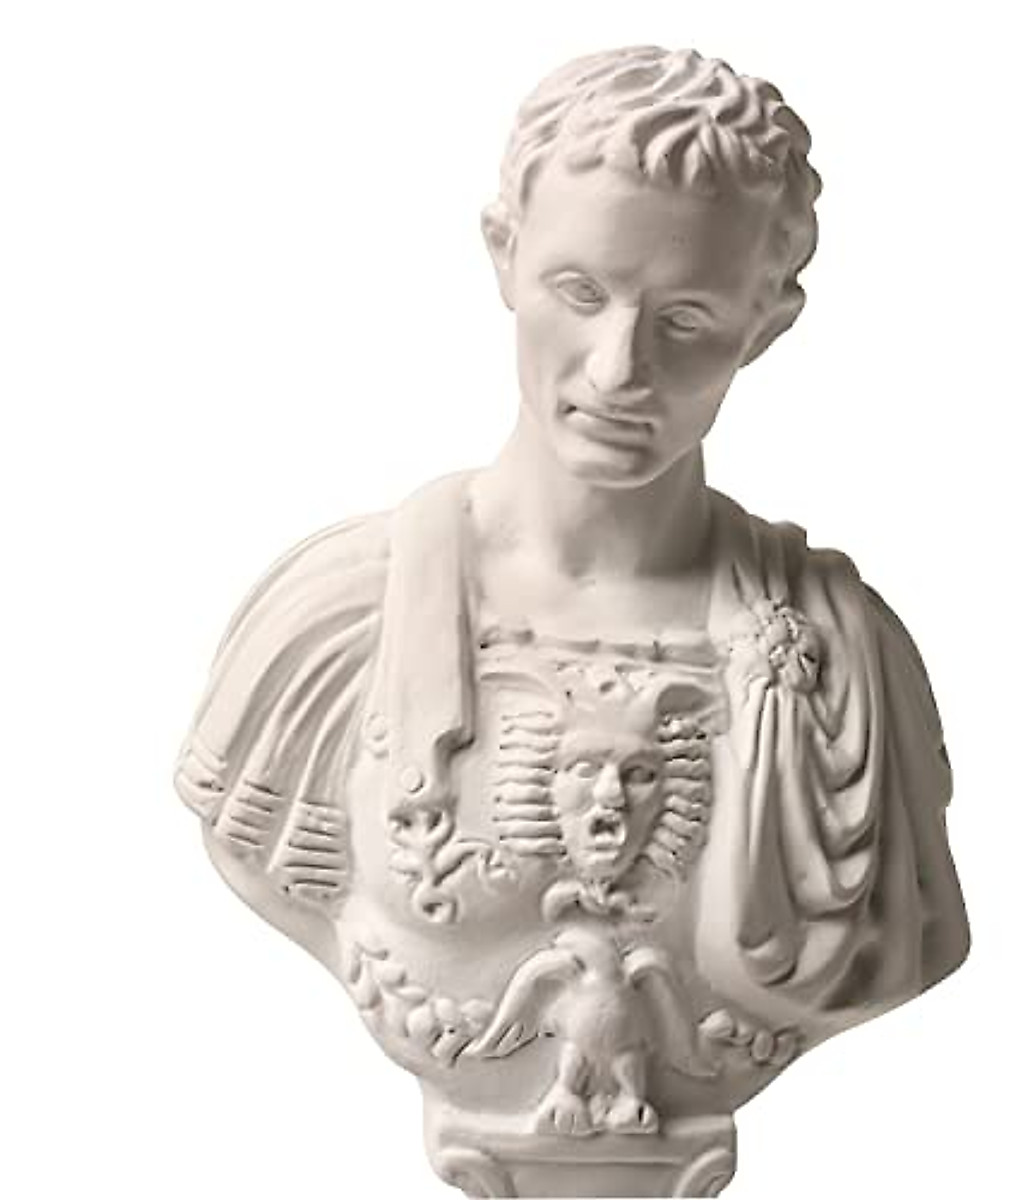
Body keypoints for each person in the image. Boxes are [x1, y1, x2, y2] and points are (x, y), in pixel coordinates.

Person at [177, 43, 969, 1164]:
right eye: (579, 292)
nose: (615, 369)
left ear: (768, 319)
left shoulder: (844, 665)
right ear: (503, 254)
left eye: (686, 319)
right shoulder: (330, 630)